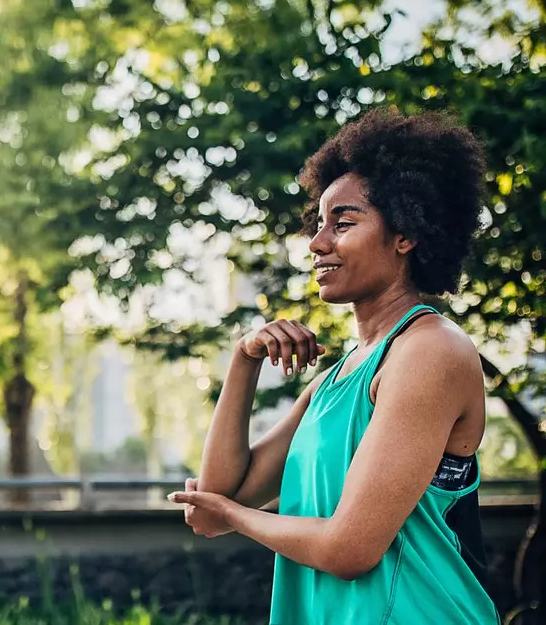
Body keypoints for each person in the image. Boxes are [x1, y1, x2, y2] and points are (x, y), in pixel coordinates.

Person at [168, 108, 499, 624]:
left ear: (405, 235)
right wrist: (243, 360)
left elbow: (350, 549)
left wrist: (236, 516)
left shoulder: (430, 350)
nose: (318, 243)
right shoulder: (337, 377)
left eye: (343, 223)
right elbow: (210, 502)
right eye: (318, 225)